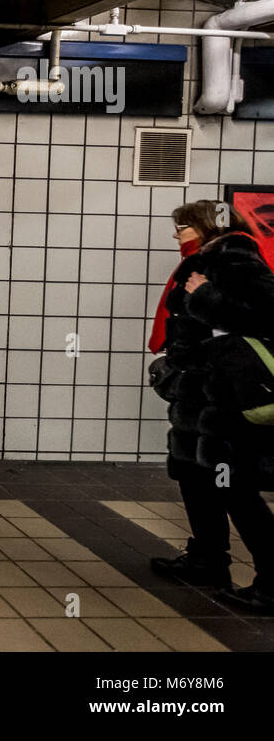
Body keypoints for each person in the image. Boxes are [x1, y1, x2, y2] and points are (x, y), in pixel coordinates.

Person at [147, 199, 274, 613]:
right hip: (198, 399)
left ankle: (273, 583)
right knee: (195, 480)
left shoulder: (235, 255)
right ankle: (207, 559)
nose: (176, 234)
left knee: (235, 488)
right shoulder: (205, 258)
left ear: (204, 226)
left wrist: (203, 296)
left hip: (225, 403)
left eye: (181, 226)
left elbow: (267, 314)